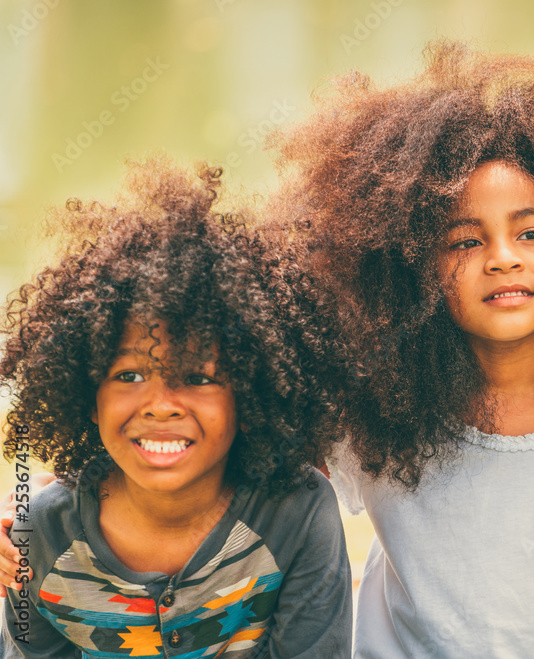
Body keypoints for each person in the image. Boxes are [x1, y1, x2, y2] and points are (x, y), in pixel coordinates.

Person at [274, 41, 534, 658]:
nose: (503, 257)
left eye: (530, 232)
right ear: (413, 267)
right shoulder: (372, 413)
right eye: (465, 241)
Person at [0, 159, 352, 657]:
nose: (161, 405)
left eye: (198, 378)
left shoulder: (296, 511)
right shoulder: (42, 534)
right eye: (129, 375)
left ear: (249, 396)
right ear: (87, 398)